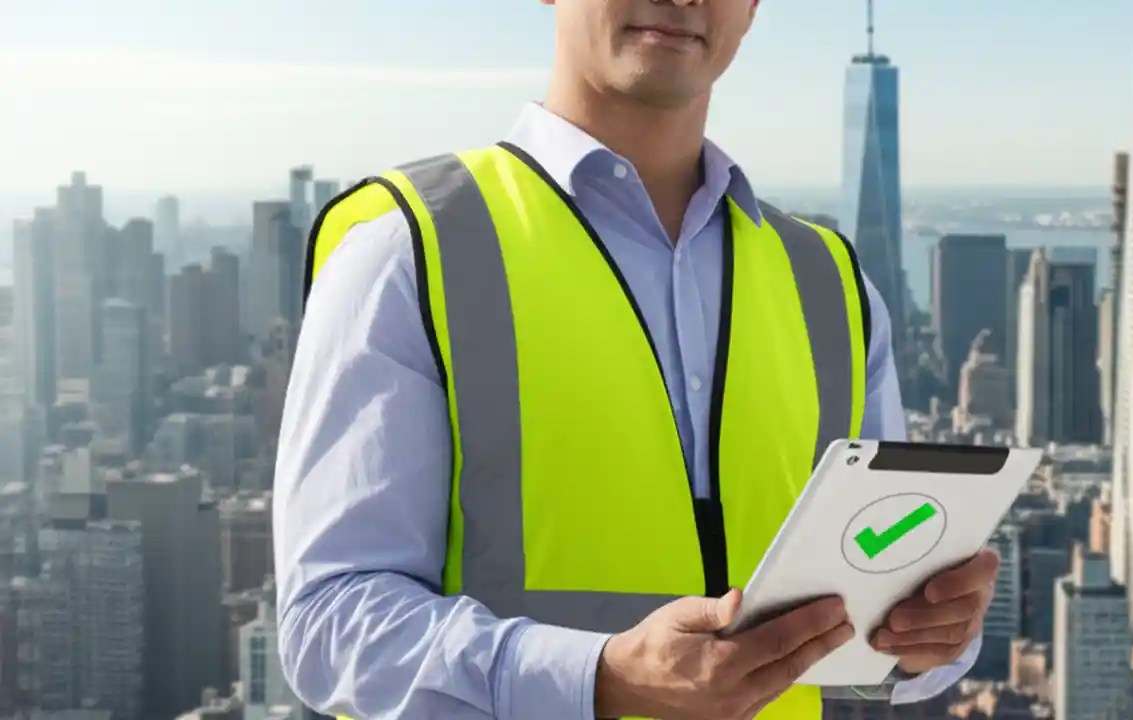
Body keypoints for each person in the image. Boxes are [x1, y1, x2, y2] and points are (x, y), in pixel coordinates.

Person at [274, 0, 998, 718]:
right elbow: (329, 624)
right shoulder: (409, 250)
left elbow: (876, 626)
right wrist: (599, 677)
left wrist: (925, 638)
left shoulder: (830, 283)